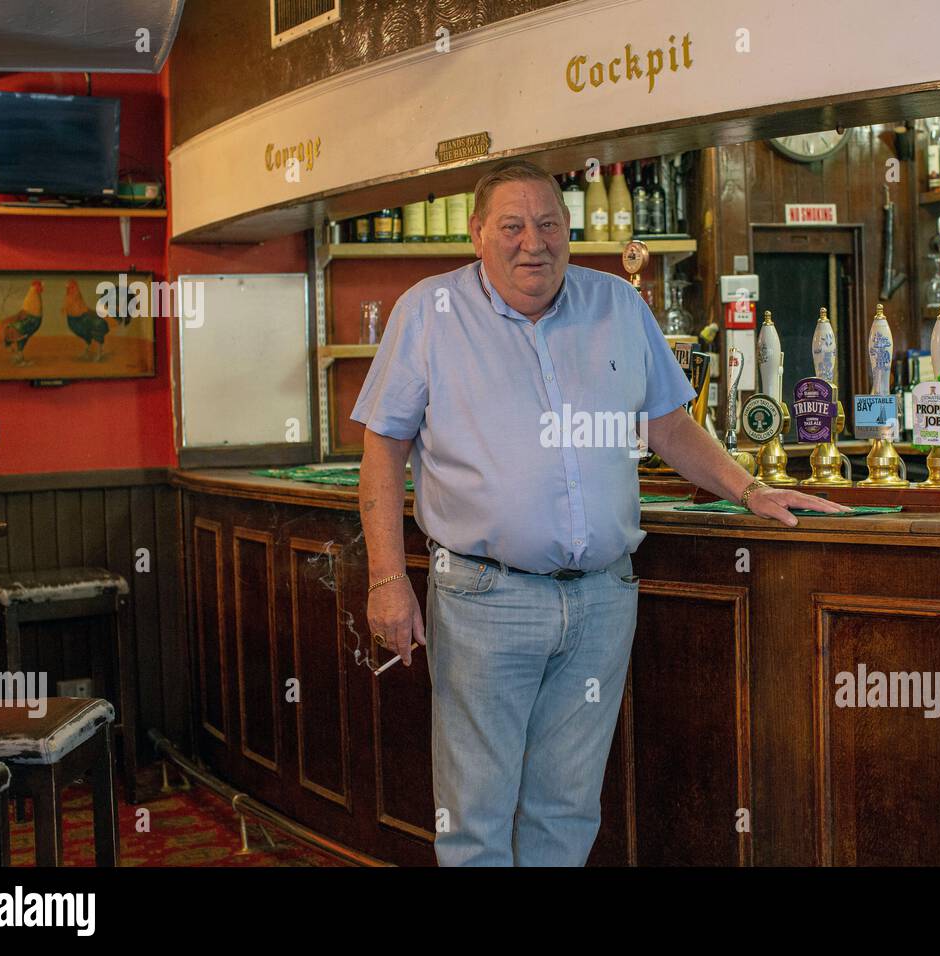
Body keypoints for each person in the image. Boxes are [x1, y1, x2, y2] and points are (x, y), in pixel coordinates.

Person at [350, 158, 850, 866]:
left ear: (569, 230)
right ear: (477, 235)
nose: (535, 242)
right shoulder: (428, 313)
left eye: (550, 224)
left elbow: (670, 428)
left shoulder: (618, 304)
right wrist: (384, 578)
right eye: (514, 226)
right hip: (483, 596)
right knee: (475, 816)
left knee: (568, 809)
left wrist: (749, 488)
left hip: (602, 600)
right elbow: (383, 447)